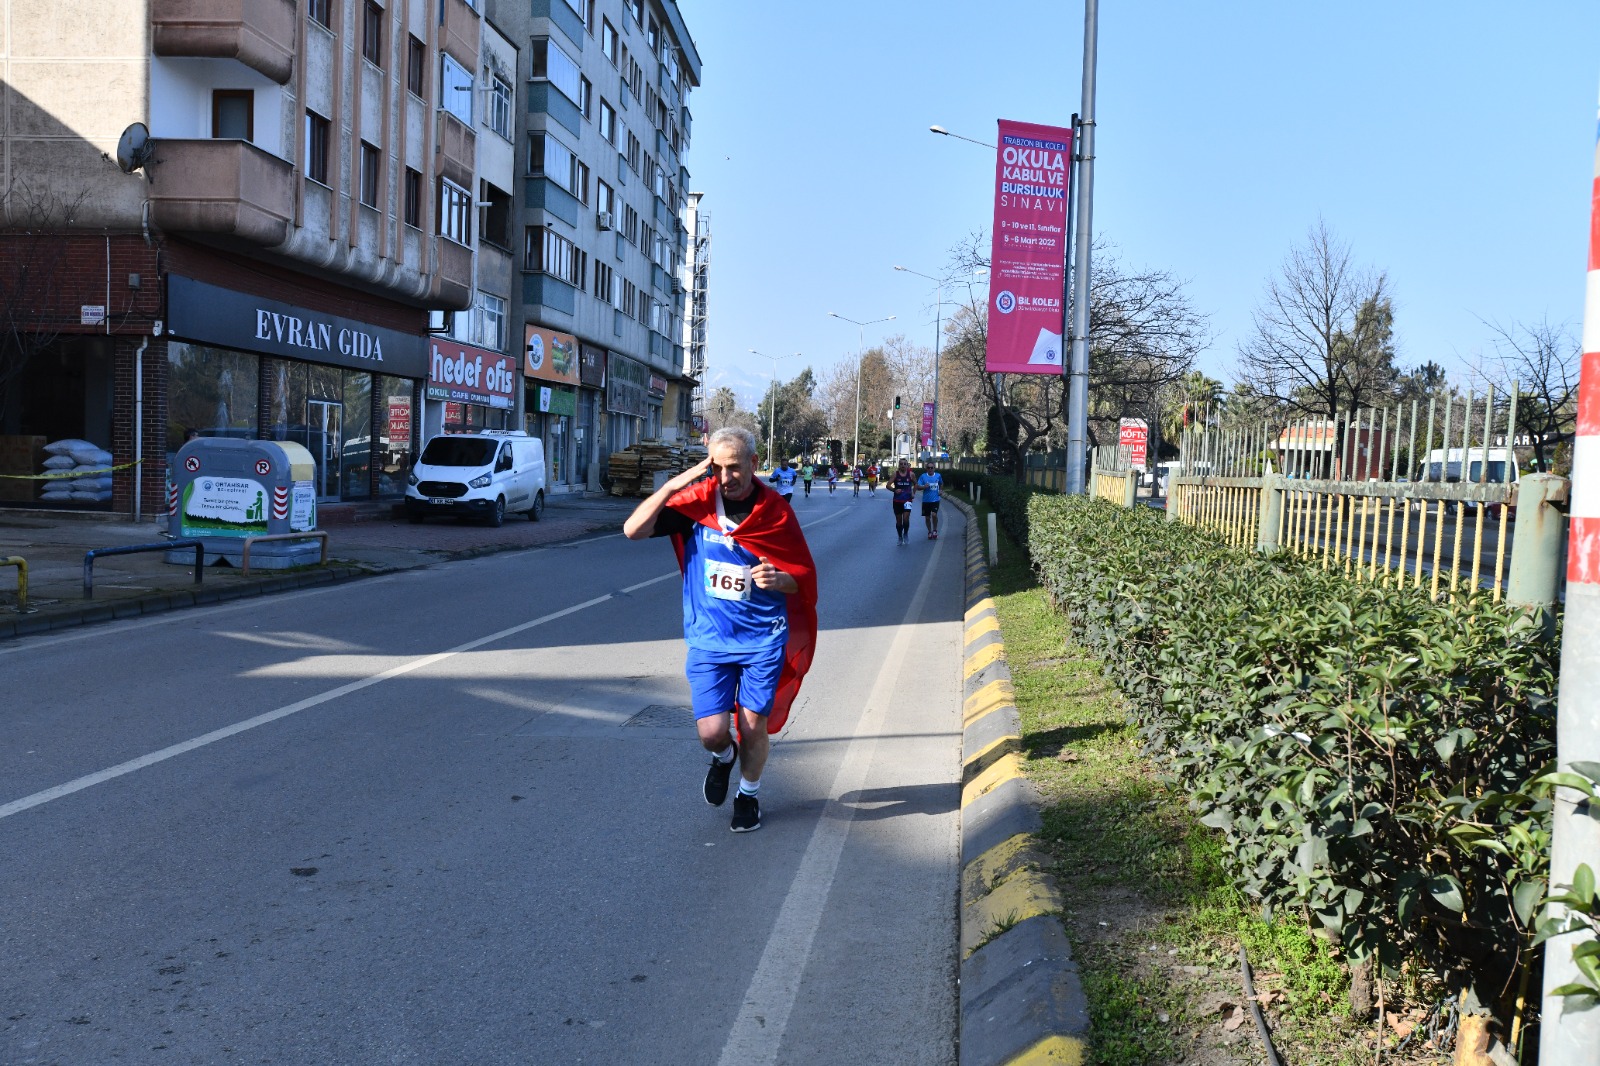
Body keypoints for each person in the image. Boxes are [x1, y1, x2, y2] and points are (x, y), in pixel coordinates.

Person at [623, 427, 818, 833]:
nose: (726, 477)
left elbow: (802, 577)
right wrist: (673, 486)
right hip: (709, 641)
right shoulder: (695, 504)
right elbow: (633, 530)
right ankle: (723, 757)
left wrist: (778, 579)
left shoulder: (776, 511)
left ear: (754, 463)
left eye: (734, 467)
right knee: (712, 733)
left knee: (751, 725)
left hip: (762, 639)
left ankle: (748, 795)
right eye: (717, 468)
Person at [888, 458, 916, 544]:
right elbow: (888, 485)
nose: (903, 465)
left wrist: (913, 493)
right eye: (901, 464)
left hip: (908, 500)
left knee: (906, 519)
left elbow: (916, 484)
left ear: (907, 465)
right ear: (899, 465)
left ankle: (906, 534)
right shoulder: (895, 474)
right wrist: (894, 490)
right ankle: (900, 537)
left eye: (904, 464)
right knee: (899, 521)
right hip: (897, 501)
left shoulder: (911, 474)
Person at [916, 460, 944, 540]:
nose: (930, 469)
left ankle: (935, 530)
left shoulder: (938, 475)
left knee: (934, 515)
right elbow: (917, 487)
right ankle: (929, 531)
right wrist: (924, 487)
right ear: (926, 468)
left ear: (934, 468)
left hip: (935, 499)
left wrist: (940, 490)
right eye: (928, 468)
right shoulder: (923, 476)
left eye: (932, 468)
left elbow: (941, 483)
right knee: (927, 518)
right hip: (926, 500)